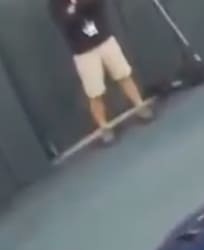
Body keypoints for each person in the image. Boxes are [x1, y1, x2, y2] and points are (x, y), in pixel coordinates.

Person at [48, 0, 153, 146]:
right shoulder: (55, 3)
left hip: (104, 40)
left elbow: (96, 3)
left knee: (124, 75)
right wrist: (78, 9)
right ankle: (104, 128)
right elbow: (65, 21)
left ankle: (140, 107)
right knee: (94, 92)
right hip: (83, 52)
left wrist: (75, 8)